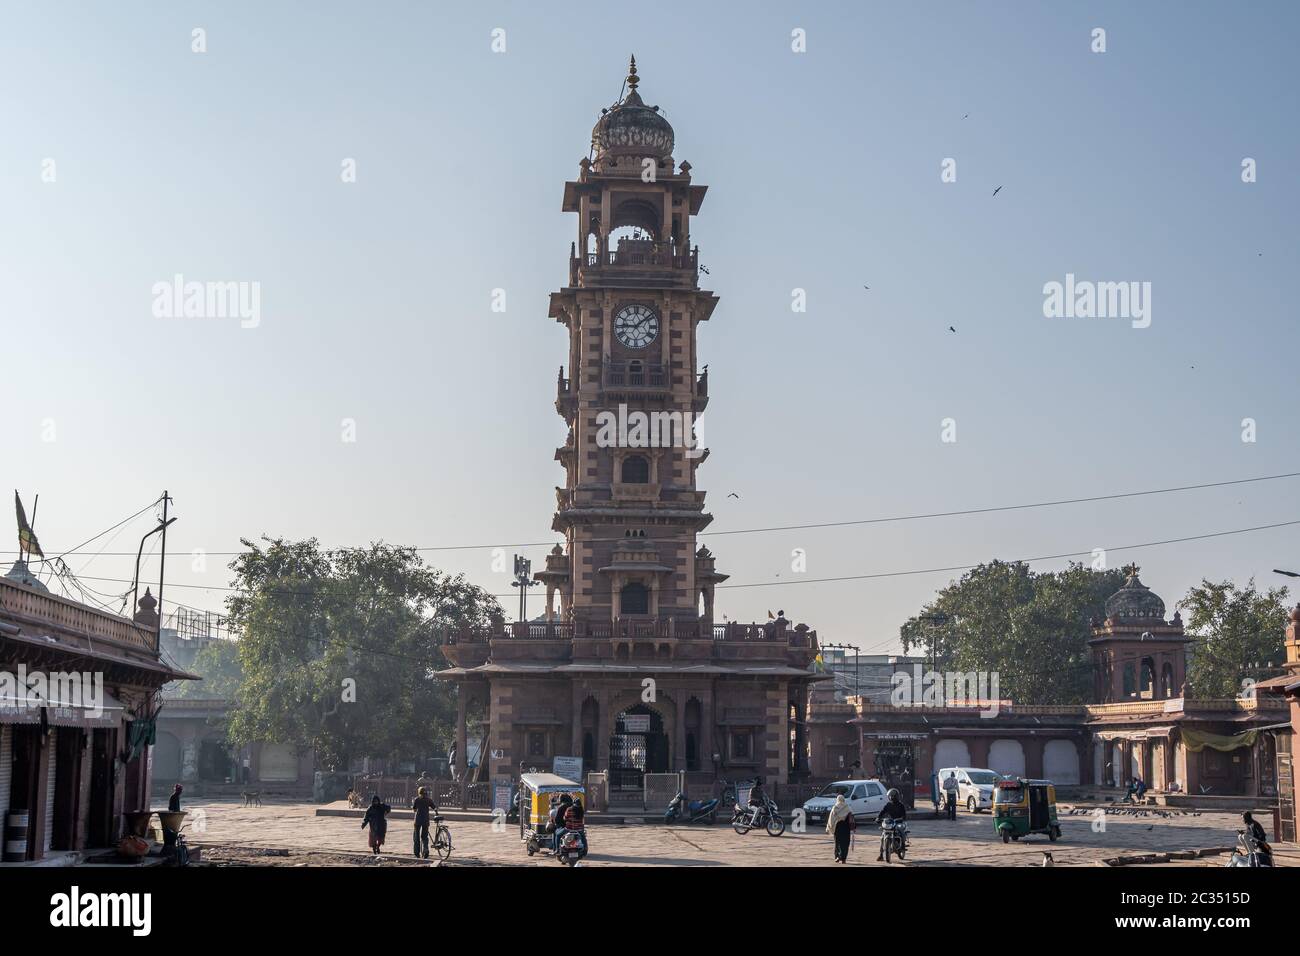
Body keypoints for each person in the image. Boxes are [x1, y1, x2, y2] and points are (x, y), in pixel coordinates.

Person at [875, 788, 907, 862]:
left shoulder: (901, 805)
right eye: (890, 796)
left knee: (901, 830)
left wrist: (901, 818)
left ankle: (902, 845)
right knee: (882, 836)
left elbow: (904, 816)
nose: (891, 797)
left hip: (899, 822)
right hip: (890, 822)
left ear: (896, 796)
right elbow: (882, 811)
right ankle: (881, 855)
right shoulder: (888, 804)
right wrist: (878, 818)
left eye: (892, 796)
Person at [825, 793, 855, 863]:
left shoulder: (835, 807)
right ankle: (843, 859)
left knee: (838, 842)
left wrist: (829, 827)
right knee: (845, 843)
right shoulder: (848, 807)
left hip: (837, 827)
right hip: (846, 828)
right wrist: (854, 827)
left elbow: (831, 819)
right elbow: (852, 818)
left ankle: (837, 856)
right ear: (844, 799)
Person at [411, 786, 437, 859]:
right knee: (424, 837)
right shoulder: (429, 800)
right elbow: (434, 807)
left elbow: (414, 809)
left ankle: (417, 853)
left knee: (416, 837)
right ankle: (426, 849)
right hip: (425, 820)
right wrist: (436, 811)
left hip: (418, 821)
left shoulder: (417, 799)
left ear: (419, 793)